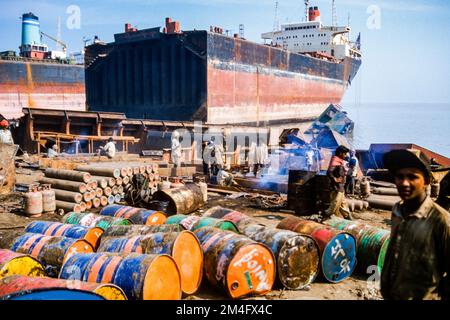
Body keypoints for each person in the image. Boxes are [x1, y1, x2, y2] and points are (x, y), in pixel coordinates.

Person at [380, 149, 450, 300]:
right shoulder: (397, 210)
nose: (404, 183)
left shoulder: (441, 220)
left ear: (426, 181)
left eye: (412, 177)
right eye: (400, 176)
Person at [322, 145, 353, 221]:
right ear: (340, 153)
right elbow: (329, 172)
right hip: (337, 187)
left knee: (343, 203)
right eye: (344, 153)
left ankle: (348, 217)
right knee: (335, 203)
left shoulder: (339, 161)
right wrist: (334, 179)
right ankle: (326, 216)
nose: (345, 155)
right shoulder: (335, 160)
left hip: (341, 186)